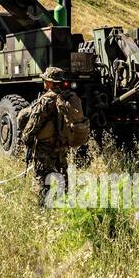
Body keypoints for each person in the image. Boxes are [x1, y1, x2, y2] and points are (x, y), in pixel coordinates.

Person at [20, 66, 90, 205]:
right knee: (62, 179)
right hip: (61, 147)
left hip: (45, 148)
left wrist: (26, 138)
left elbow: (32, 126)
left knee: (42, 180)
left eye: (45, 79)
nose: (43, 81)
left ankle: (44, 208)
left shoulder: (46, 100)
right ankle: (64, 205)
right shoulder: (67, 99)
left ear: (50, 82)